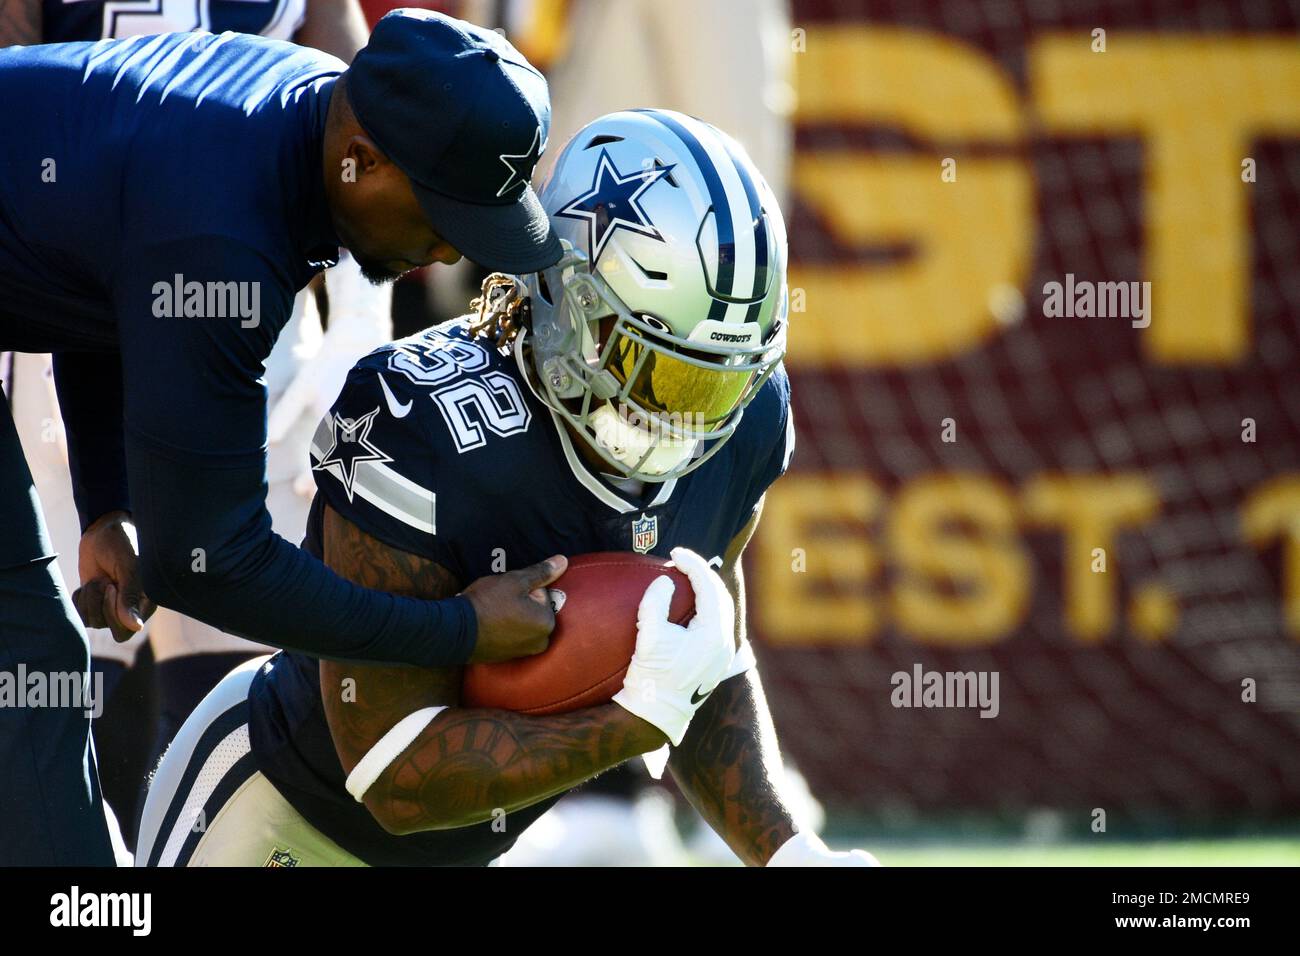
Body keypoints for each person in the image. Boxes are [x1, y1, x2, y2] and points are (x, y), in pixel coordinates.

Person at [135, 110, 878, 867]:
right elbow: (393, 779)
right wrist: (636, 718)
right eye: (658, 368)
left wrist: (791, 853)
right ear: (569, 295)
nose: (681, 416)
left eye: (712, 384)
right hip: (279, 820)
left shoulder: (745, 428)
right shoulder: (415, 420)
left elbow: (704, 660)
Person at [0, 9, 564, 866]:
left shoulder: (287, 107)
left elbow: (90, 268)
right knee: (26, 655)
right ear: (363, 159)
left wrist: (105, 499)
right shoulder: (223, 232)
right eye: (445, 212)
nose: (450, 254)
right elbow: (212, 567)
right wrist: (458, 629)